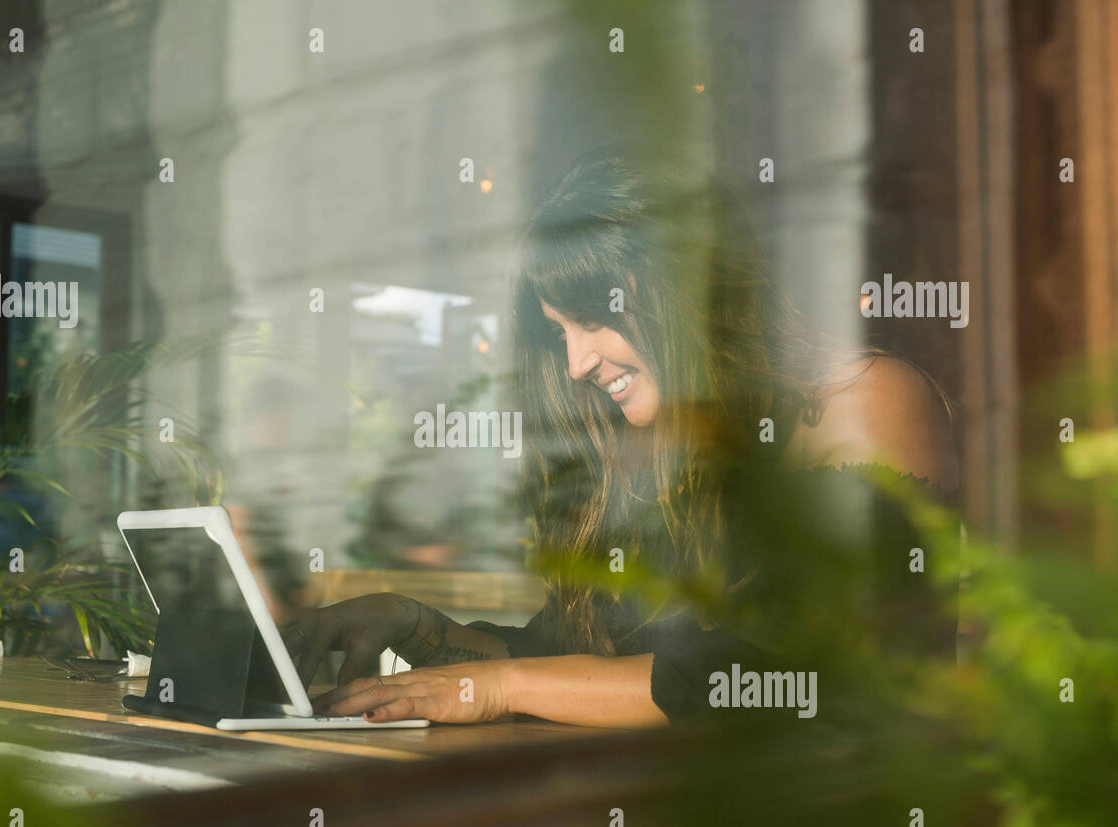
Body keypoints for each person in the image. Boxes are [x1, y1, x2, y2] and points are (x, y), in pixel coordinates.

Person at [284, 142, 959, 729]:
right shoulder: (669, 449)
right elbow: (579, 662)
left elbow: (797, 674)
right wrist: (417, 626)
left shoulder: (866, 401)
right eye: (560, 332)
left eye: (589, 320)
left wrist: (497, 688)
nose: (576, 362)